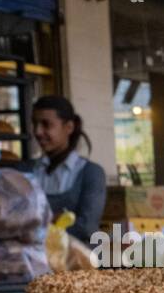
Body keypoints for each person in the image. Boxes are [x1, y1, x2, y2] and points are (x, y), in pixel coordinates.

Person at [27, 95, 106, 242]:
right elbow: (11, 219)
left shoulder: (91, 173)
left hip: (78, 262)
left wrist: (33, 225)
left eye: (46, 124)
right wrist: (56, 220)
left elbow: (86, 227)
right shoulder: (25, 170)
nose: (37, 132)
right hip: (33, 262)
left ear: (69, 127)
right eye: (35, 124)